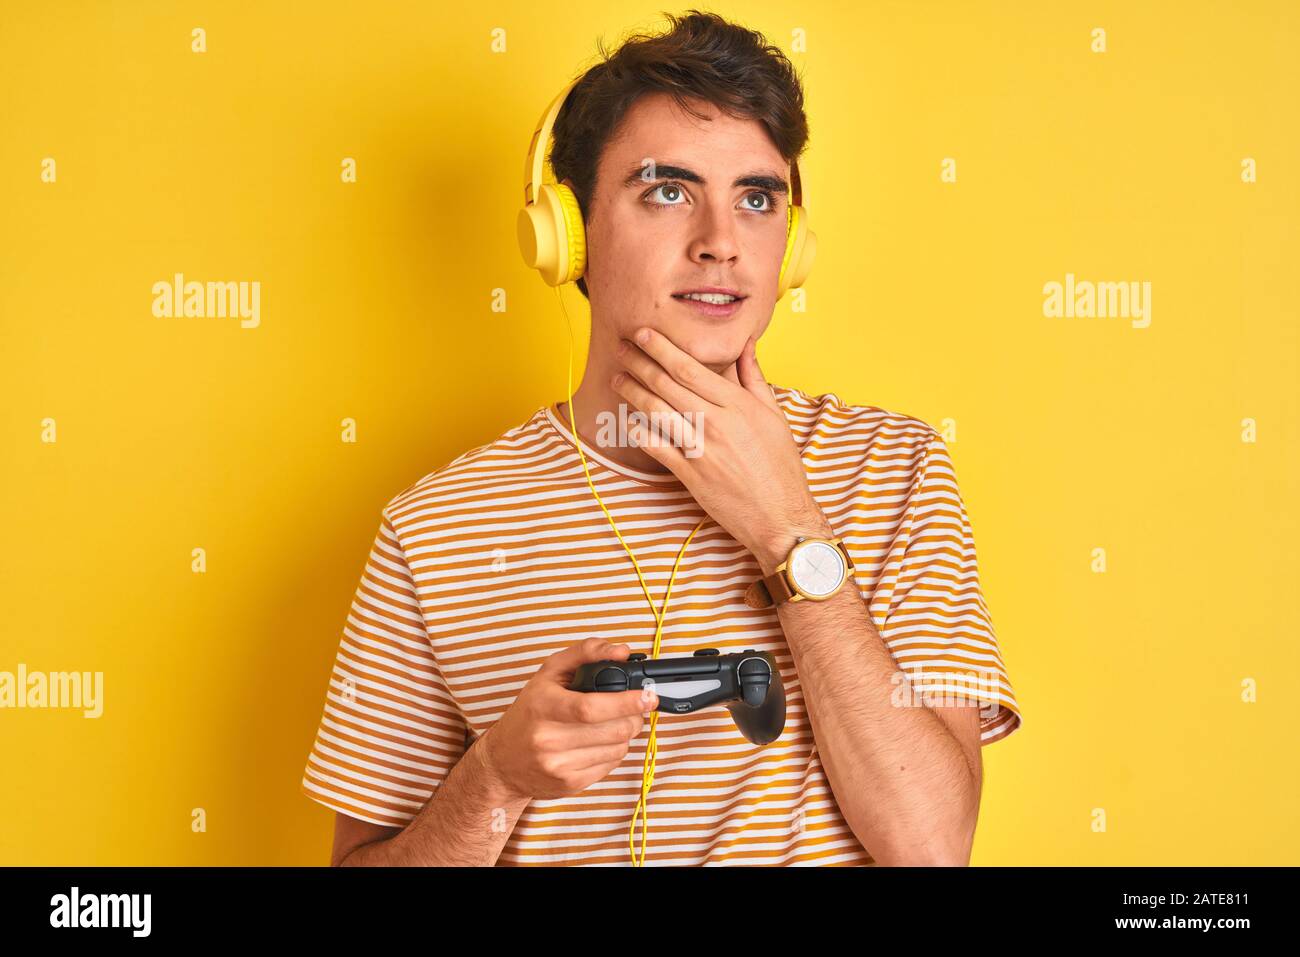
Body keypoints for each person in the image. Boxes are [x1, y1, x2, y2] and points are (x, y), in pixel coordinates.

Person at [300, 9, 1021, 866]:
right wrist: (494, 776)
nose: (721, 244)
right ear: (568, 236)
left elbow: (932, 848)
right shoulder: (434, 529)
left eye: (757, 199)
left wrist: (788, 528)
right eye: (667, 190)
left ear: (790, 246)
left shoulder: (894, 467)